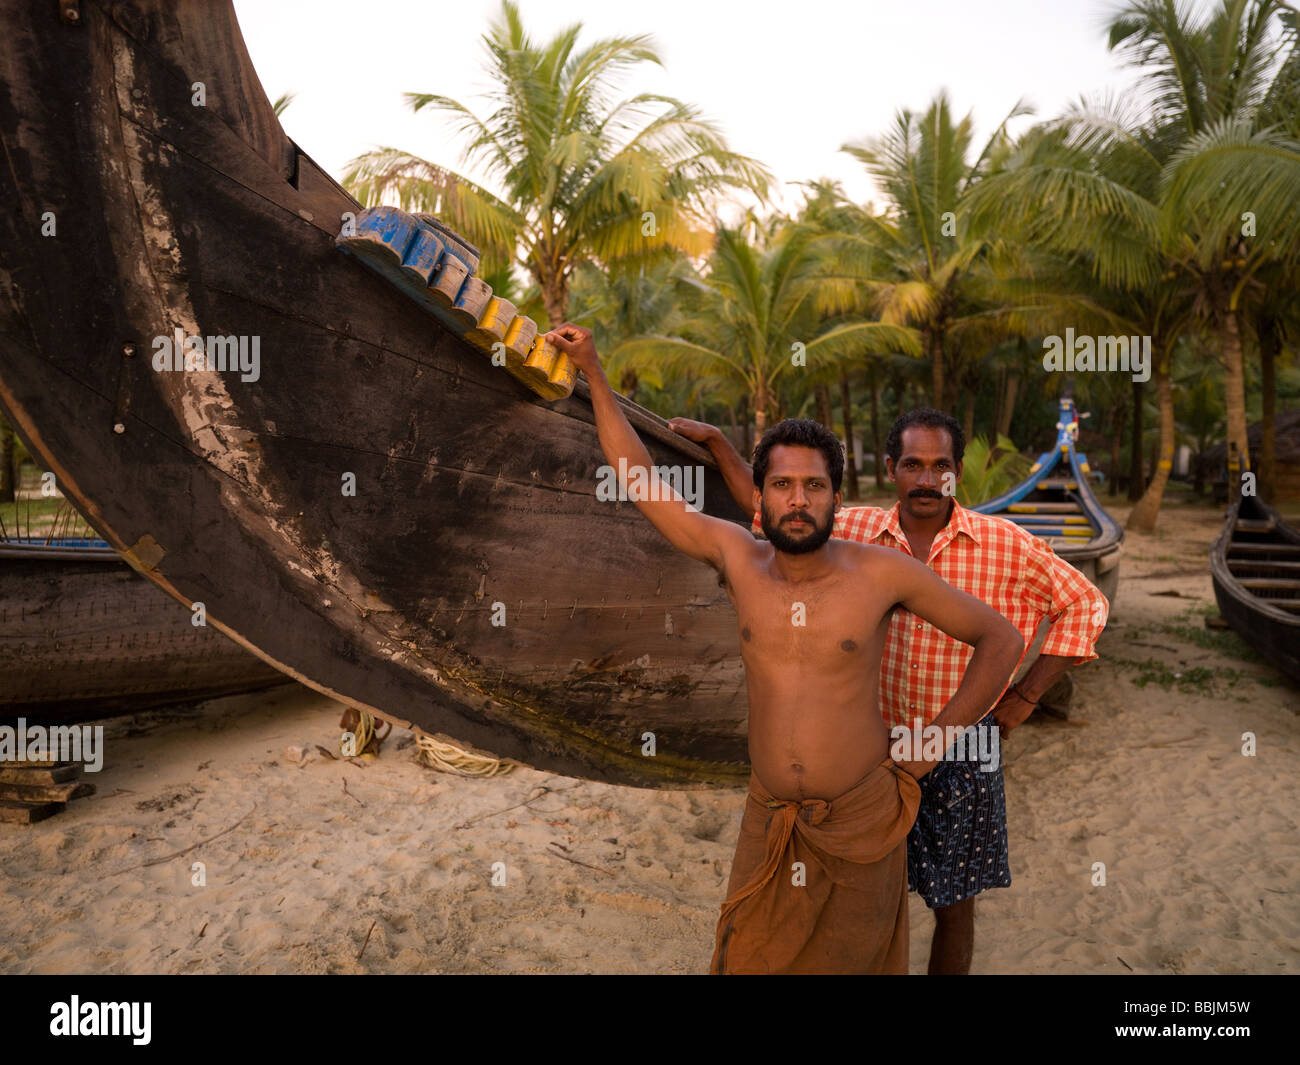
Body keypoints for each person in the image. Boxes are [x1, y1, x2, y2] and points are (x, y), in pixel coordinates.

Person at [546, 324, 1025, 974]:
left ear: (836, 495)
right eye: (782, 486)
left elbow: (1001, 638)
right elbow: (642, 481)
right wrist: (593, 372)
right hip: (768, 816)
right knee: (745, 955)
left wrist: (931, 743)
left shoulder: (881, 572)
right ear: (760, 495)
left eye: (815, 486)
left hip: (864, 817)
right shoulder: (739, 557)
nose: (798, 501)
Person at [670, 407, 1108, 974]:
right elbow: (771, 512)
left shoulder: (1007, 543)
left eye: (941, 466)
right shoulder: (849, 529)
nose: (927, 479)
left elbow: (1086, 605)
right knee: (876, 895)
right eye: (913, 465)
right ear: (891, 470)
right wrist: (725, 450)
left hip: (956, 746)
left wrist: (1023, 698)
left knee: (953, 900)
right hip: (872, 757)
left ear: (957, 474)